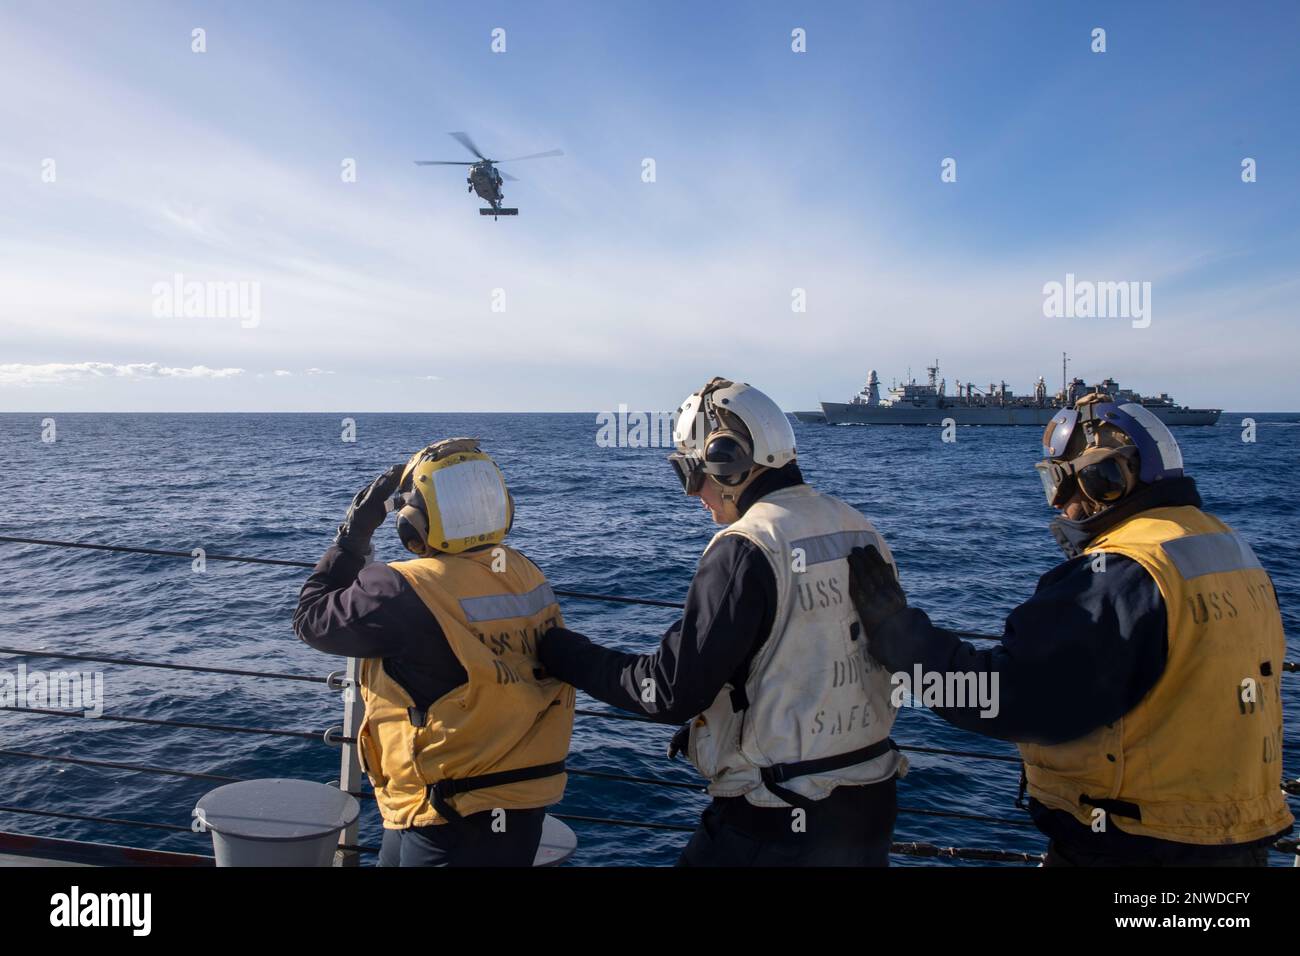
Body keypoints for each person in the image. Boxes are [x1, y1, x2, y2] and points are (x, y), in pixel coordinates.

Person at [846, 393, 1294, 866]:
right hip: (1235, 838)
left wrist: (896, 631)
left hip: (1138, 844)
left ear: (1106, 480)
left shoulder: (1122, 573)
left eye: (1060, 481)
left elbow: (1010, 698)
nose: (1057, 503)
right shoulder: (1227, 546)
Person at [539, 378, 906, 866]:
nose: (694, 495)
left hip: (775, 820)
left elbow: (669, 692)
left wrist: (560, 652)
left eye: (690, 475)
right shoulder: (858, 528)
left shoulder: (748, 545)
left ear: (726, 462)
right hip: (870, 807)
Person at [293, 438, 574, 867]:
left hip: (451, 814)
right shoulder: (522, 571)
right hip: (513, 800)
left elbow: (312, 621)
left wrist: (352, 540)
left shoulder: (401, 587)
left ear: (414, 522)